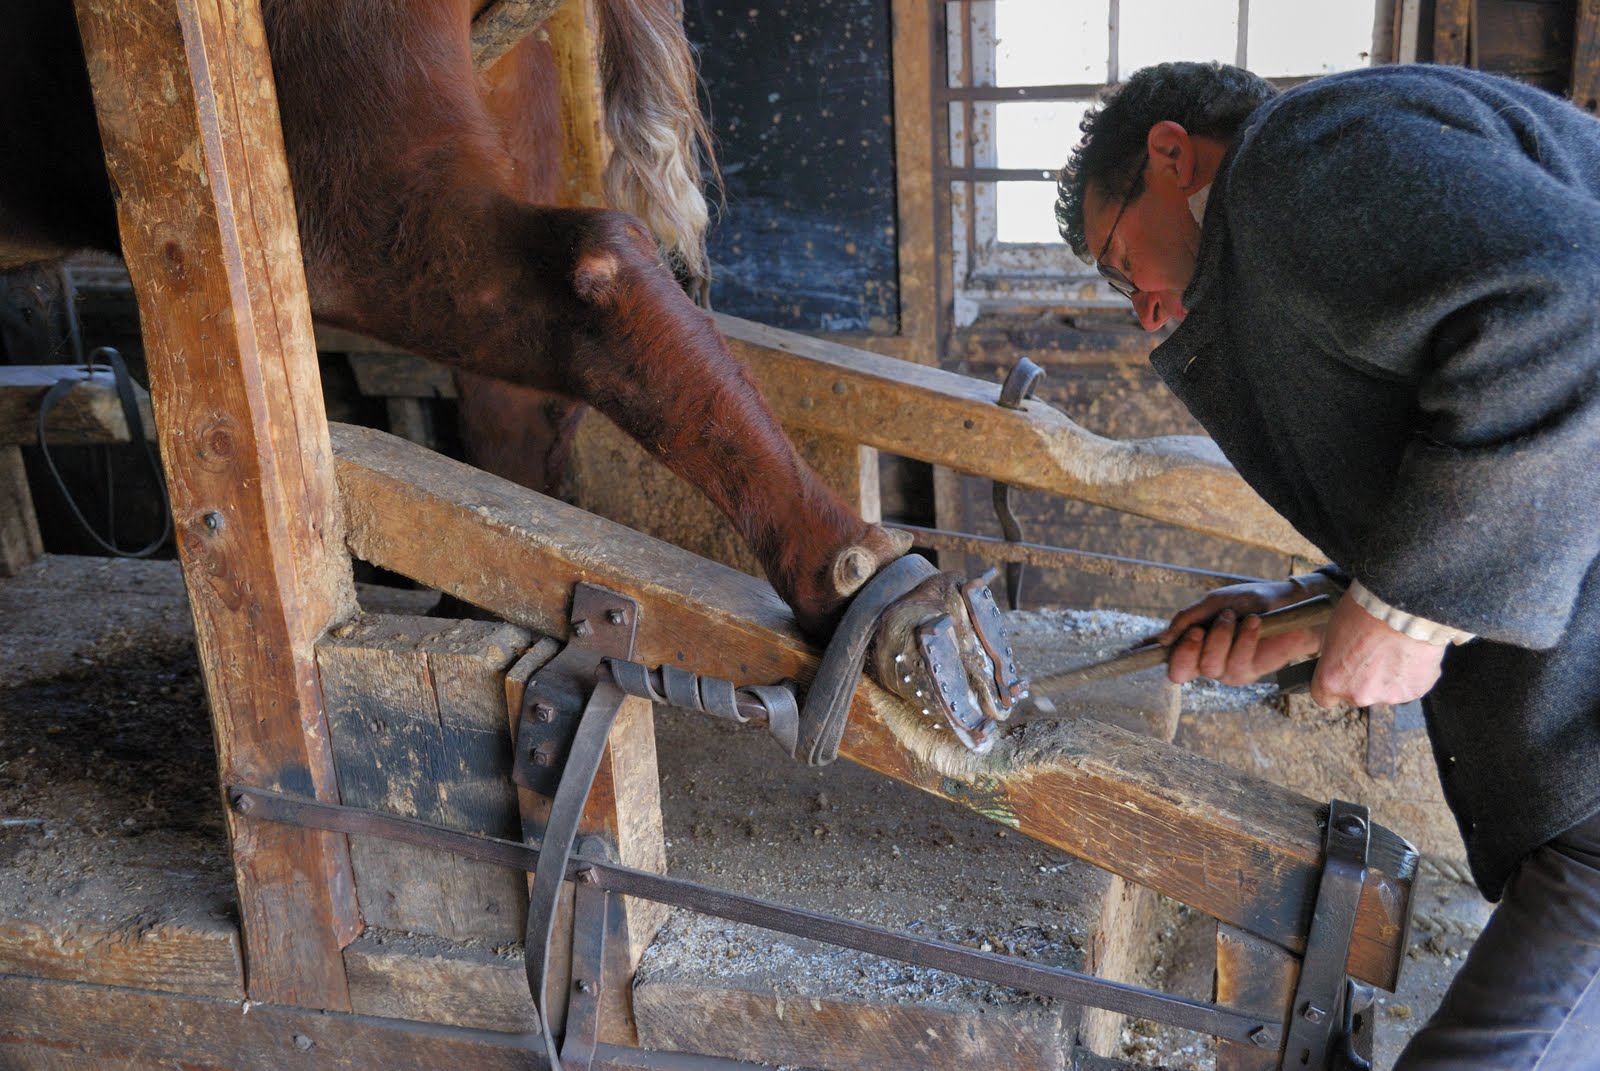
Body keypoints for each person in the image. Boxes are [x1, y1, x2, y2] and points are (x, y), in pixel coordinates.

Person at [1055, 61, 1600, 1069]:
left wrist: (1404, 609)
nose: (1135, 303)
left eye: (1115, 253)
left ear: (1171, 155)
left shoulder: (1294, 159)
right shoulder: (1311, 200)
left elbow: (1567, 313)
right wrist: (1312, 608)